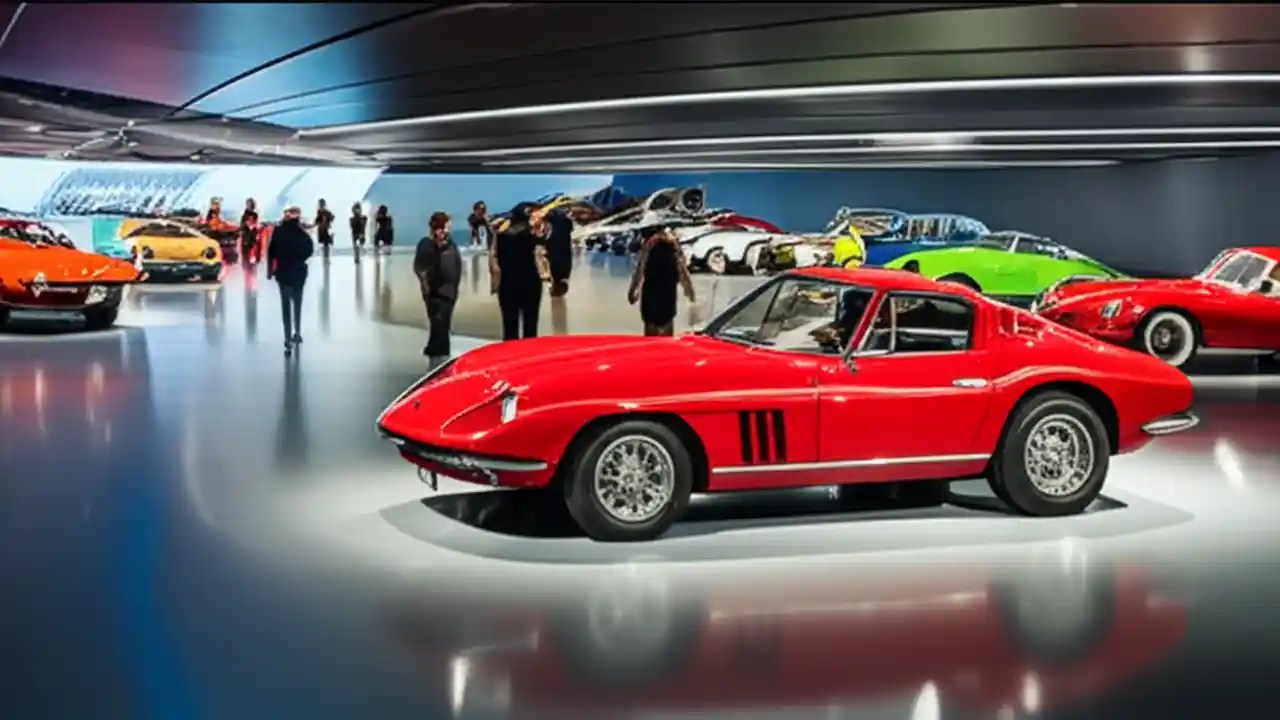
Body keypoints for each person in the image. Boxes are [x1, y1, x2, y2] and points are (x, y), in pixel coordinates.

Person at [491, 202, 550, 340]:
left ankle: (510, 357)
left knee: (509, 328)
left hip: (507, 286)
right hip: (529, 286)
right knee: (530, 328)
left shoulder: (502, 234)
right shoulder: (528, 236)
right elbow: (544, 244)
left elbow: (495, 259)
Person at [628, 227, 696, 336]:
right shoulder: (670, 245)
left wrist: (634, 288)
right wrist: (689, 289)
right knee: (664, 329)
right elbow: (682, 269)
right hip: (663, 295)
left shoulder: (654, 244)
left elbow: (641, 268)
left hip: (657, 296)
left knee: (654, 331)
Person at [414, 211, 462, 360]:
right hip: (437, 293)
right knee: (440, 327)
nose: (449, 228)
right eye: (447, 225)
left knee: (443, 326)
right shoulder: (427, 244)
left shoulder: (450, 243)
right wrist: (426, 287)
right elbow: (420, 267)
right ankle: (438, 358)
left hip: (450, 292)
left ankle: (436, 353)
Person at [267, 206, 314, 356]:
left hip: (283, 272)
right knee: (297, 302)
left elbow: (271, 251)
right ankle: (297, 332)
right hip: (298, 272)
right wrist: (301, 259)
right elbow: (310, 249)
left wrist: (270, 271)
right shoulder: (301, 232)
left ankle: (287, 337)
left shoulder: (278, 231)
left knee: (285, 304)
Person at [543, 205, 574, 297]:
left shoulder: (565, 274)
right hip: (558, 243)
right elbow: (554, 256)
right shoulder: (557, 274)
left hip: (563, 242)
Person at [239, 198, 260, 263]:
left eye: (250, 204)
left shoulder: (255, 214)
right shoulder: (245, 215)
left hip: (252, 236)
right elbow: (245, 225)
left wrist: (255, 226)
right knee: (246, 255)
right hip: (246, 237)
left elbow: (256, 224)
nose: (248, 205)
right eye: (248, 204)